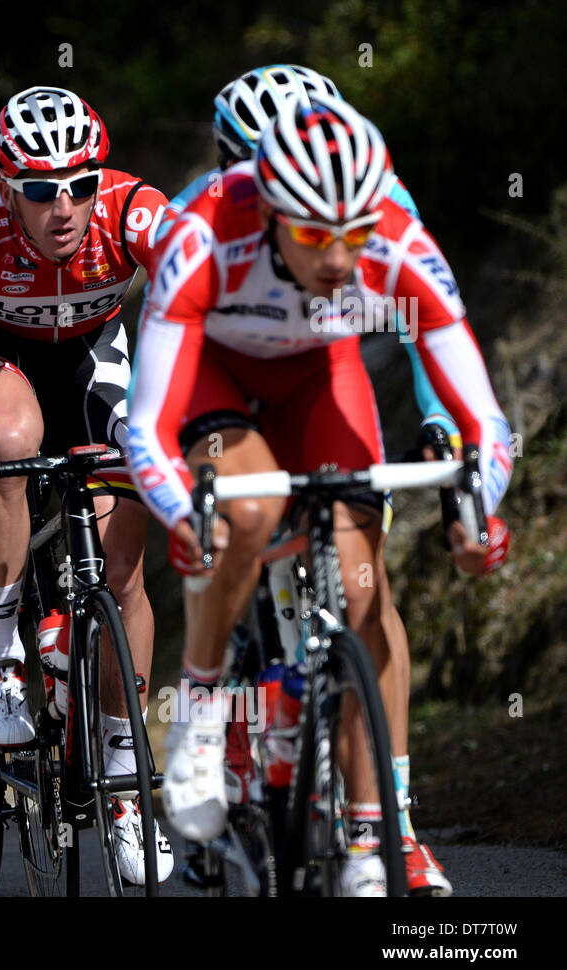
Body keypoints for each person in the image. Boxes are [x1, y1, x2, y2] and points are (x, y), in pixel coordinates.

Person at [126, 95, 511, 895]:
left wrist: (479, 510)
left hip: (317, 376)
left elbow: (483, 416)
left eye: (353, 235)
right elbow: (147, 423)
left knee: (363, 585)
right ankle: (200, 716)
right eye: (311, 235)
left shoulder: (396, 241)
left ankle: (374, 842)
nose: (338, 259)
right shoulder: (203, 233)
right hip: (217, 376)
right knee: (250, 512)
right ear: (268, 210)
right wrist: (180, 510)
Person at [0, 85, 173, 884]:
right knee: (13, 444)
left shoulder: (136, 212)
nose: (64, 207)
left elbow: (191, 315)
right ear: (2, 187)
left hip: (96, 359)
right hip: (1, 362)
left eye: (81, 185)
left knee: (124, 562)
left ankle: (128, 786)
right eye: (39, 190)